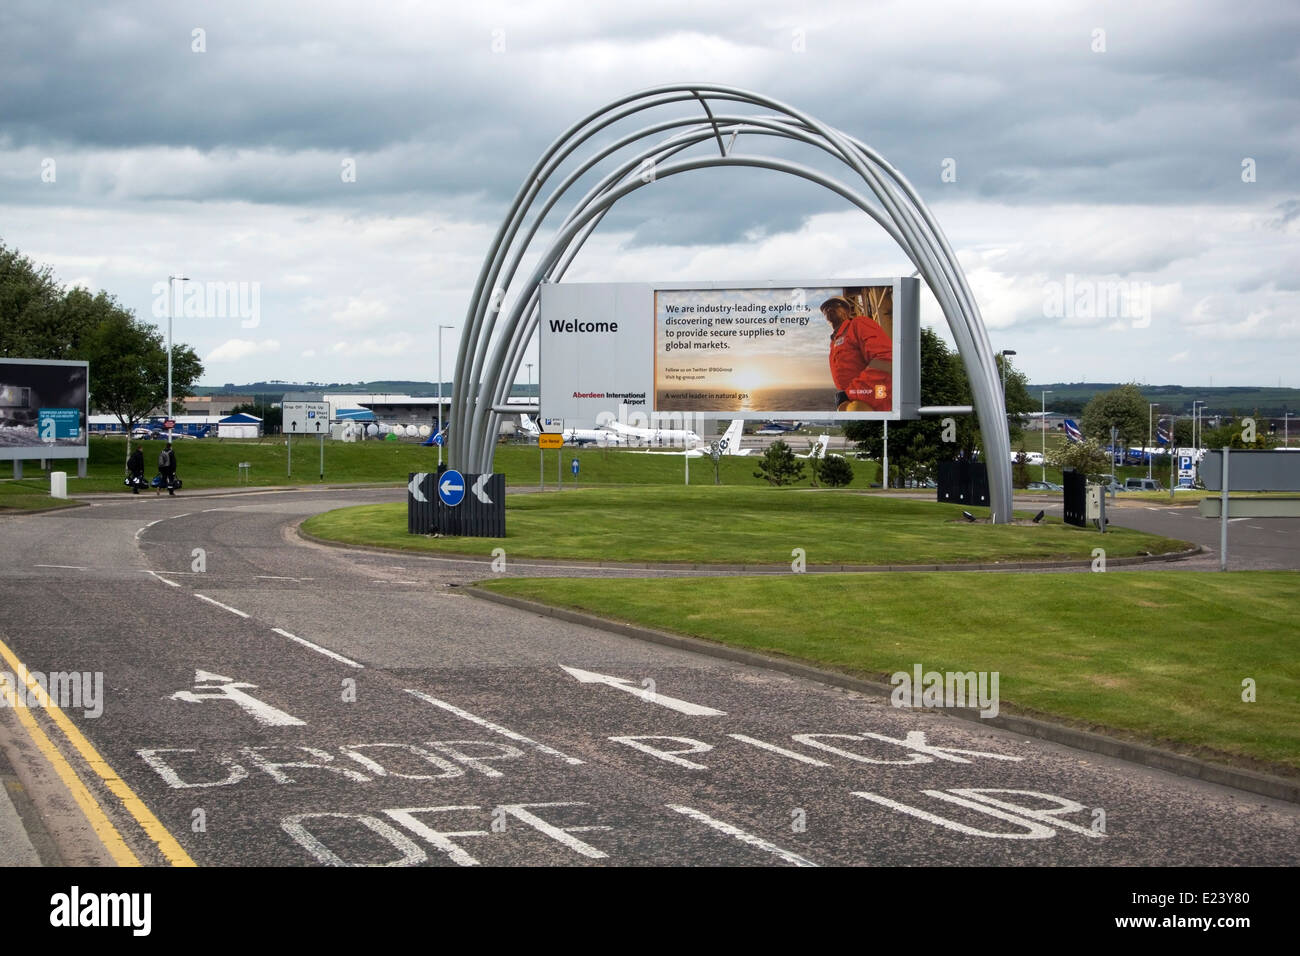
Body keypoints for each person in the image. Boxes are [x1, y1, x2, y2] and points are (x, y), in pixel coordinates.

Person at [821, 295, 893, 412]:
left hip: (876, 404)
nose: (829, 309)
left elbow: (885, 360)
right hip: (854, 403)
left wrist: (852, 392)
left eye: (835, 305)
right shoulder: (834, 342)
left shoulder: (859, 324)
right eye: (825, 309)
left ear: (847, 311)